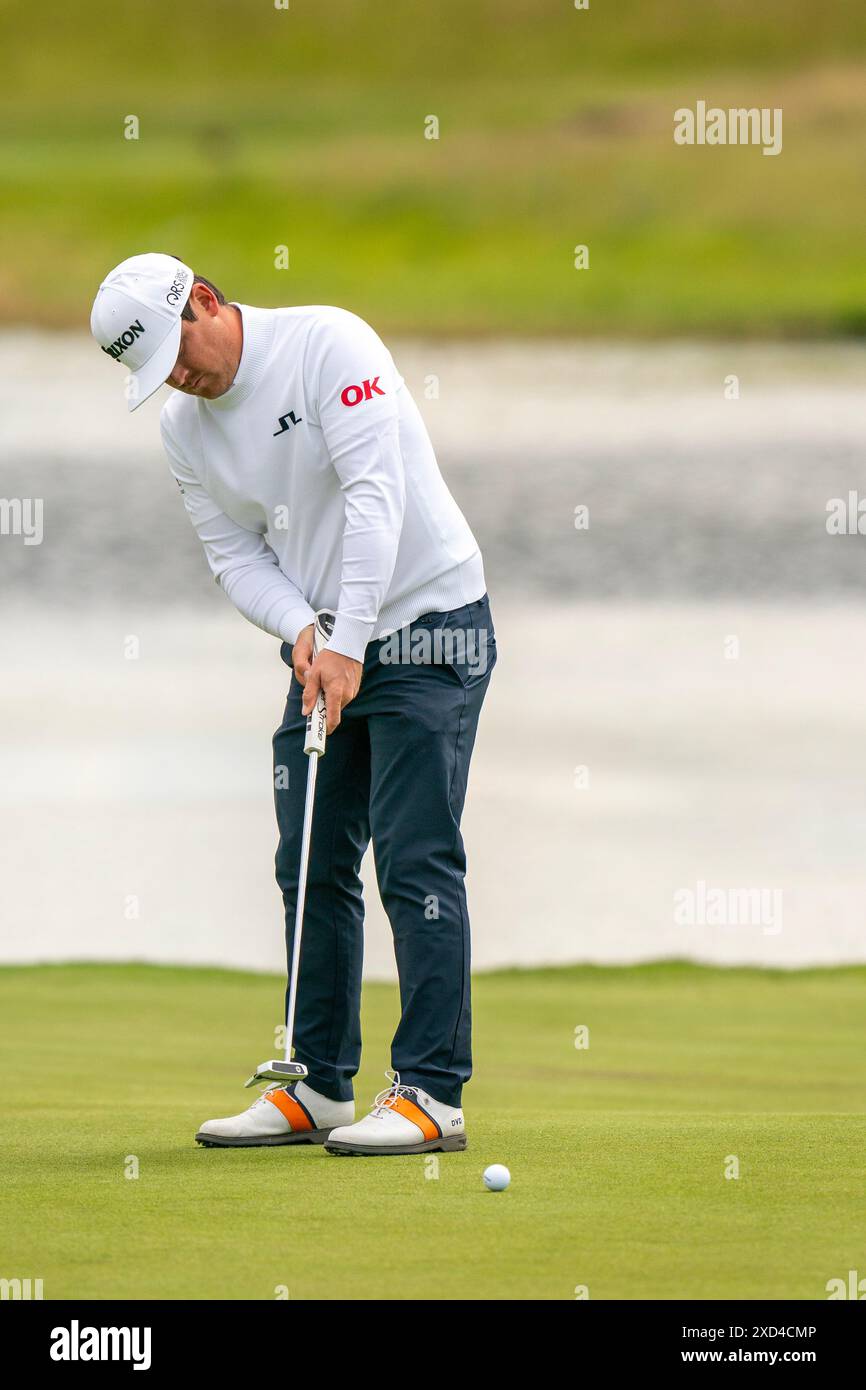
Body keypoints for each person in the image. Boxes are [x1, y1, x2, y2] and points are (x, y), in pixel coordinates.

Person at [90, 252, 496, 1155]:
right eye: (156, 374)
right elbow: (236, 557)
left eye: (178, 354)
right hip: (330, 643)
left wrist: (347, 639)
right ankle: (317, 1085)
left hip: (432, 626)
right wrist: (308, 634)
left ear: (203, 299)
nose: (180, 381)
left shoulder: (329, 346)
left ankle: (433, 1094)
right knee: (307, 860)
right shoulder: (185, 429)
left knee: (415, 859)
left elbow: (374, 500)